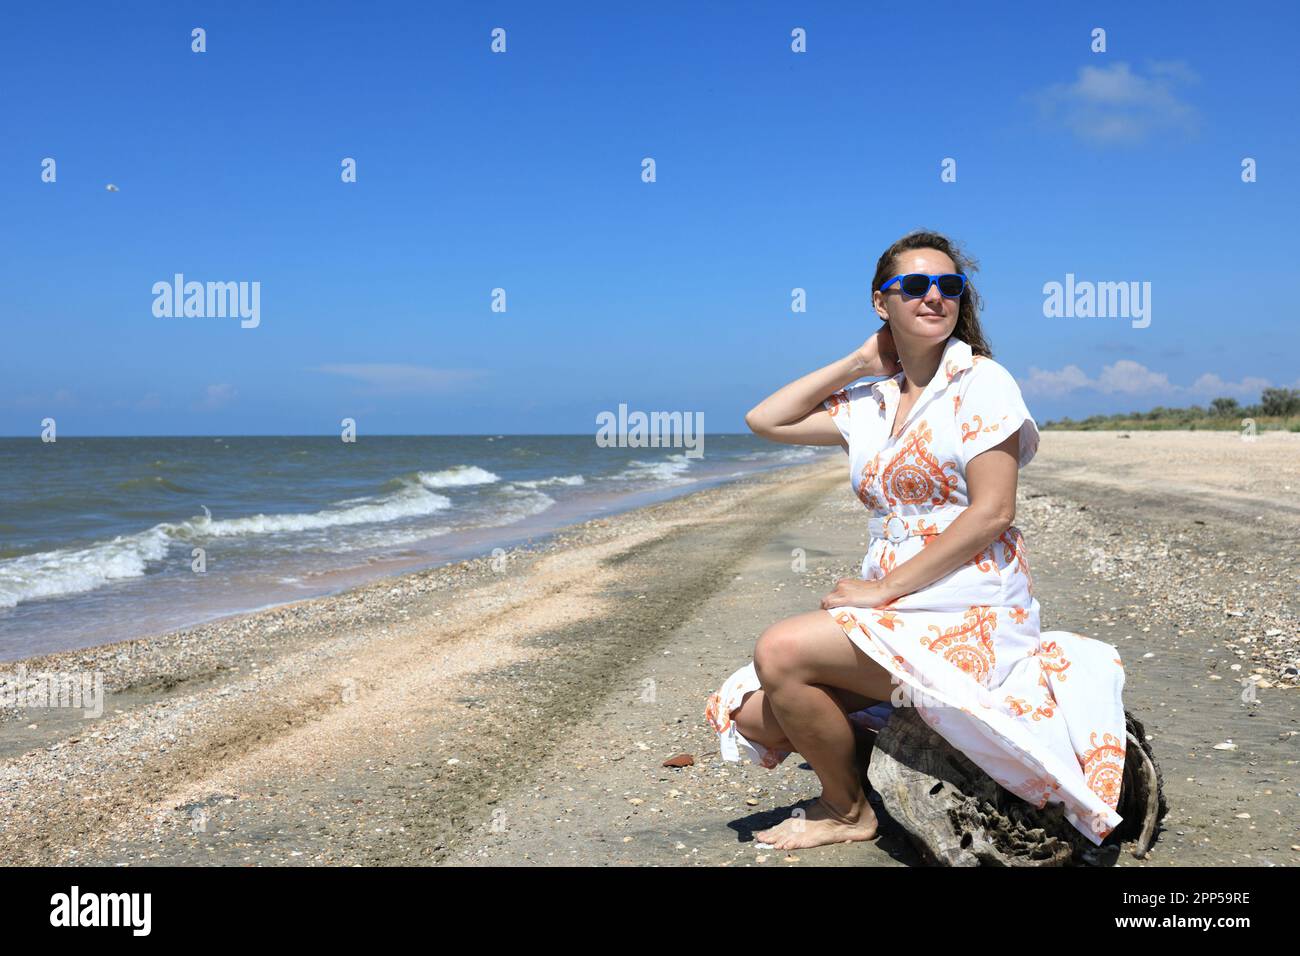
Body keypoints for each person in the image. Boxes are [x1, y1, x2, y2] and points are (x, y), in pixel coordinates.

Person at [704, 230, 1127, 852]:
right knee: (754, 713)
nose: (935, 296)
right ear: (883, 302)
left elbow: (993, 512)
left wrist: (883, 589)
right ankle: (902, 734)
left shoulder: (980, 382)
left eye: (949, 286)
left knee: (782, 651)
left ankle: (846, 811)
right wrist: (858, 363)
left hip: (969, 603)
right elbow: (766, 420)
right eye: (915, 285)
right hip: (895, 604)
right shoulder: (871, 404)